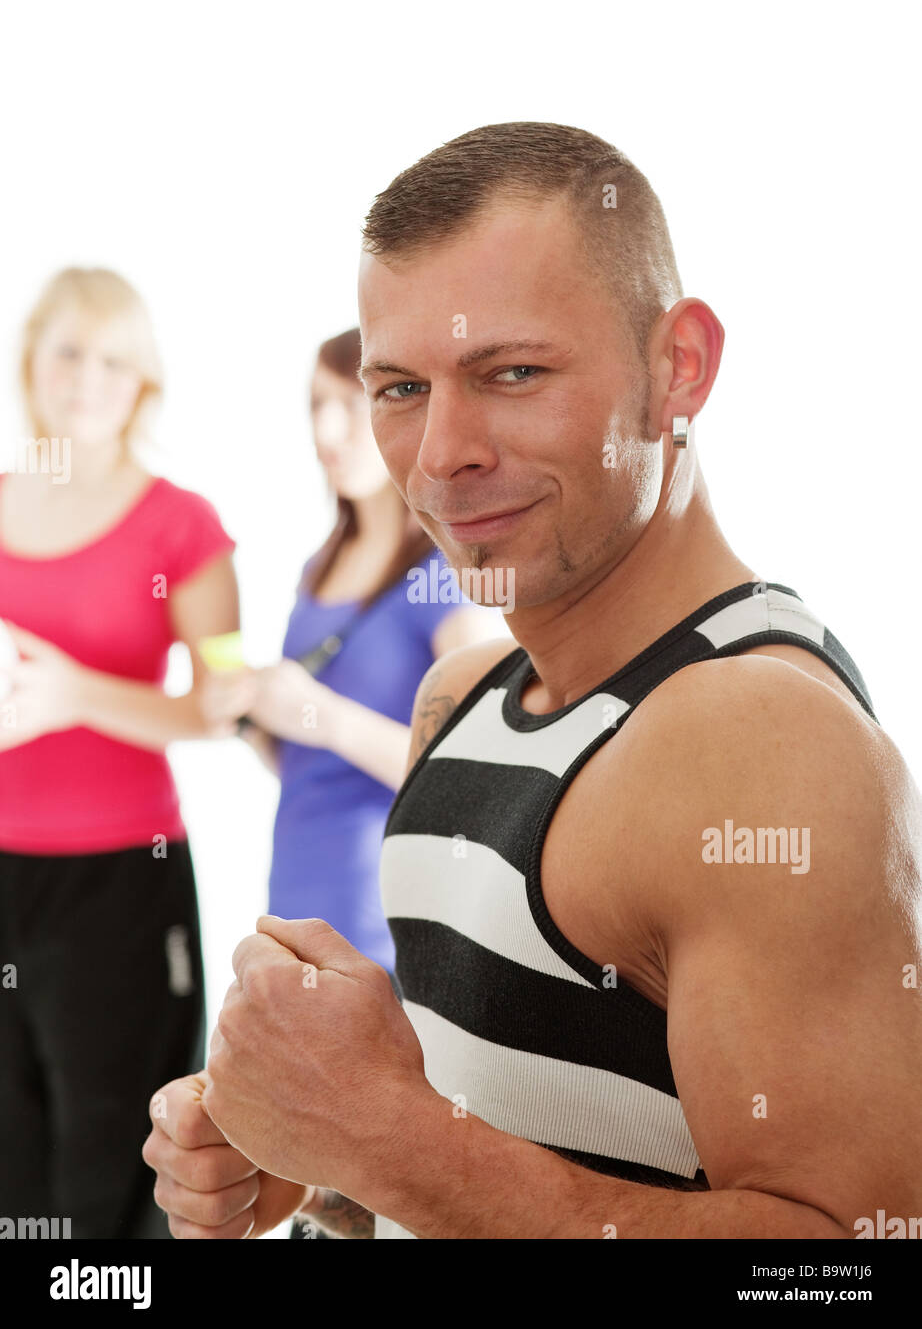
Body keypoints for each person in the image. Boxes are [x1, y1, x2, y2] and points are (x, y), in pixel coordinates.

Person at [143, 122, 922, 1240]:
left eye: (511, 372)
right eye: (401, 385)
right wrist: (315, 1162)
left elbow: (843, 1258)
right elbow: (490, 1129)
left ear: (678, 368)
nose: (440, 452)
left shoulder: (756, 741)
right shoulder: (460, 697)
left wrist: (391, 1144)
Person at [197, 327, 501, 1236]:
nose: (330, 430)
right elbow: (308, 766)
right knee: (308, 1198)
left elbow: (475, 760)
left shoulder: (446, 575)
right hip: (294, 910)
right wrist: (258, 720)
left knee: (379, 1187)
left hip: (384, 934)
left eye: (354, 403)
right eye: (316, 408)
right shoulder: (313, 572)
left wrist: (315, 713)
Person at [0, 266, 239, 1239]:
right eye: (67, 351)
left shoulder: (181, 525)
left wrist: (72, 694)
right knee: (11, 1151)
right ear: (32, 365)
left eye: (112, 358)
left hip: (120, 884)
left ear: (142, 379)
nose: (86, 377)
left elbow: (224, 704)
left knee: (113, 1151)